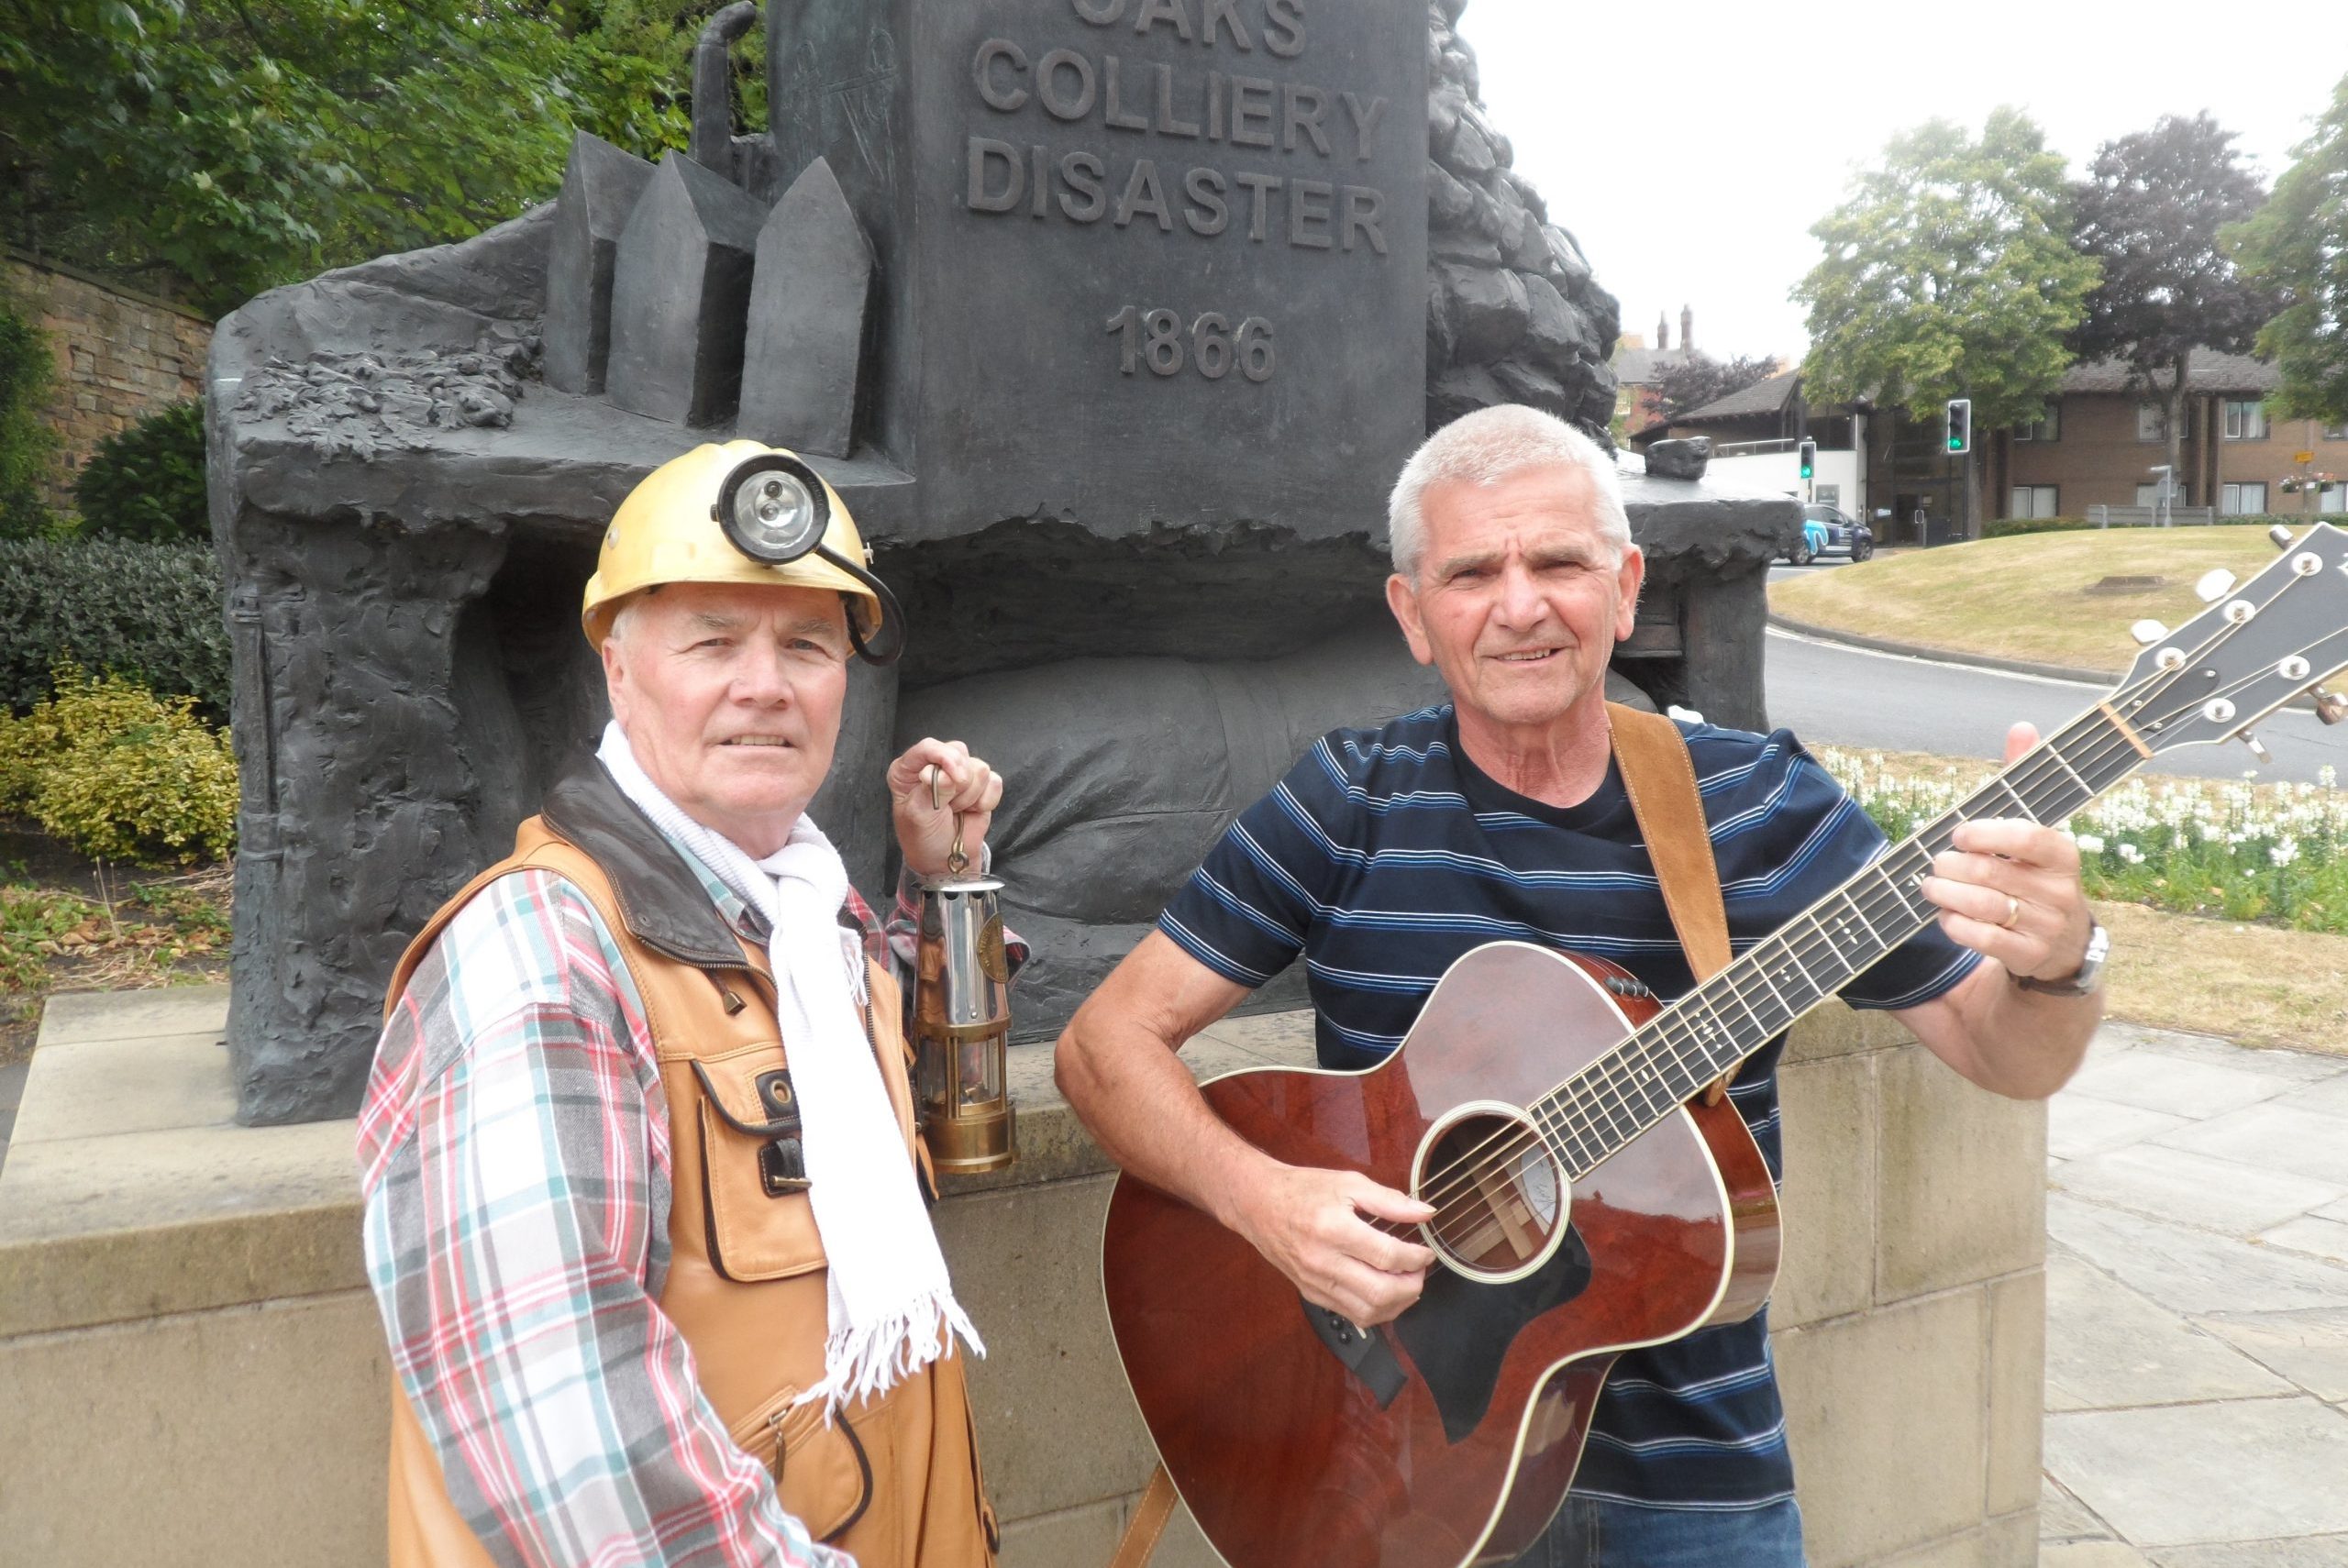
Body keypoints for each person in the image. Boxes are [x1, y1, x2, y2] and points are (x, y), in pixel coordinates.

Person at [1054, 404, 2105, 1567]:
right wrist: (1267, 1203)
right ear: (1414, 614)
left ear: (1624, 584)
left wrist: (2060, 965)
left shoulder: (1761, 808)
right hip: (1388, 1470)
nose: (1519, 606)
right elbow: (1104, 1046)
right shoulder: (1346, 801)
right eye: (1471, 572)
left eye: (1558, 561)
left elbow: (2004, 1054)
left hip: (1696, 1488)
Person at [360, 441, 1006, 1568]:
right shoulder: (540, 957)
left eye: (806, 643)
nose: (765, 683)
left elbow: (930, 1131)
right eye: (714, 641)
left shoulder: (810, 922)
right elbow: (566, 1430)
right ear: (618, 666)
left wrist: (947, 891)